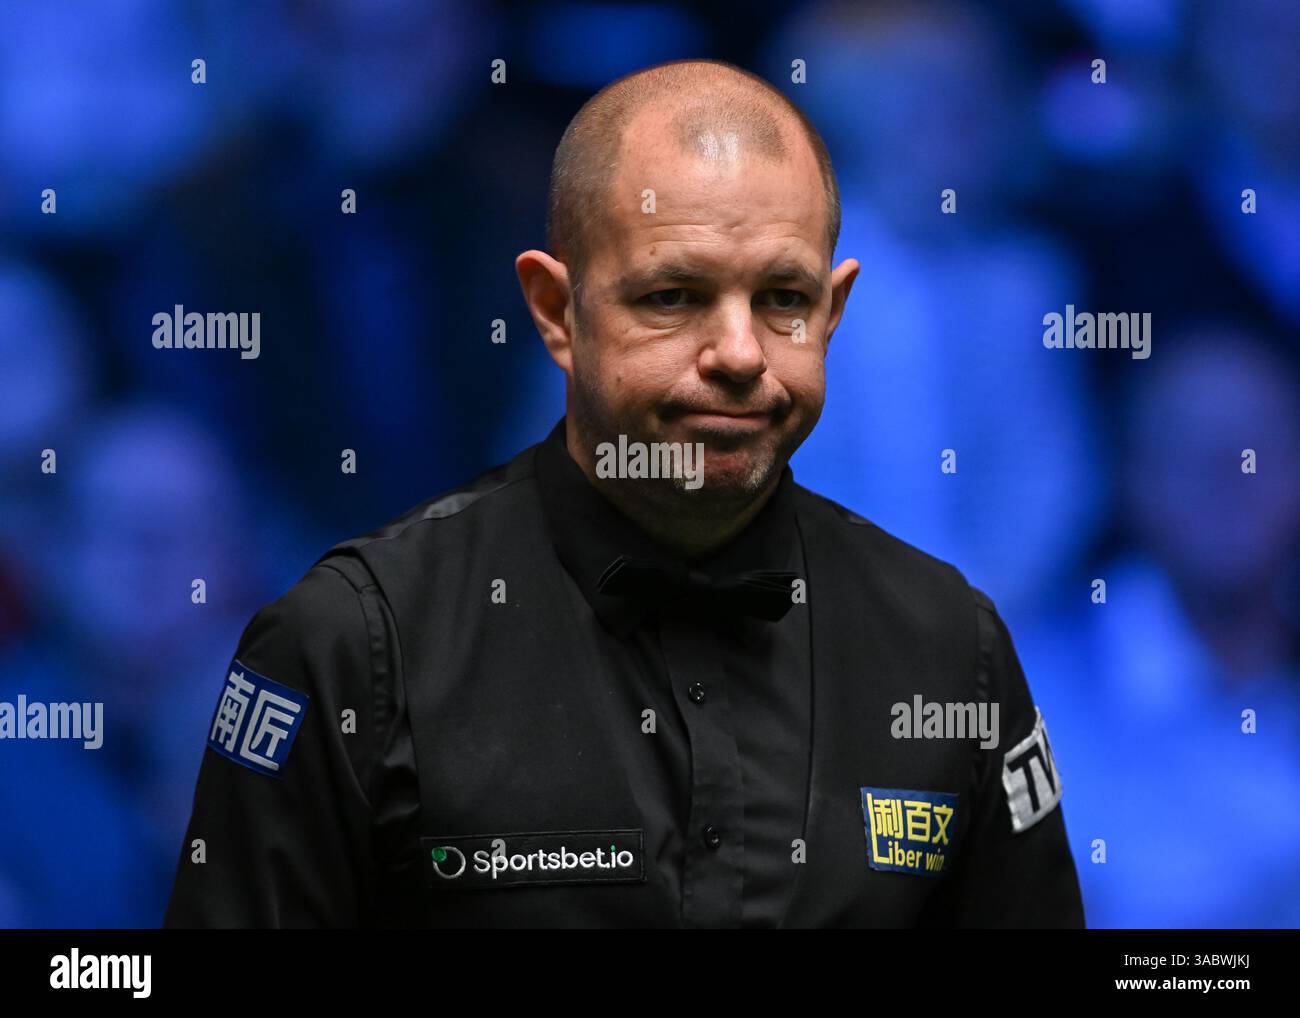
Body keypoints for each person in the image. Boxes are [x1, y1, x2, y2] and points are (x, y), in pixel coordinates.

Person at [163, 58, 1085, 928]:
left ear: (832, 315)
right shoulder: (349, 646)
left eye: (782, 299)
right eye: (673, 297)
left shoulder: (950, 645)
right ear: (559, 314)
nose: (737, 354)